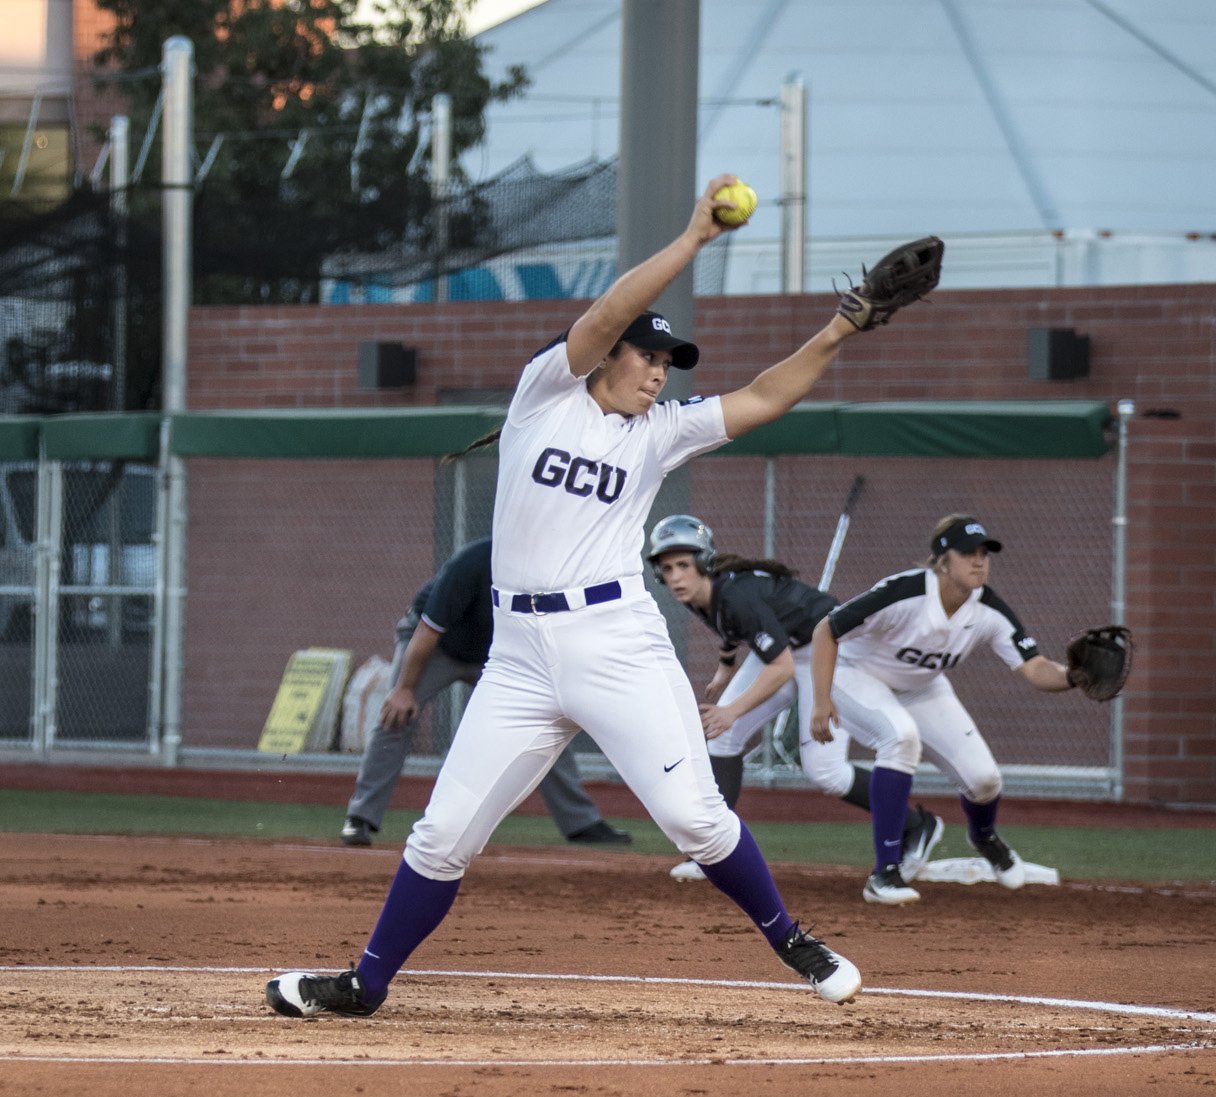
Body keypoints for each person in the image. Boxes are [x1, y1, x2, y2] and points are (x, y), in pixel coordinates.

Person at [266, 176, 938, 1019]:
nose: (657, 373)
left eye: (667, 363)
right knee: (440, 835)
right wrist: (694, 237)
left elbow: (768, 394)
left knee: (695, 821)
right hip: (518, 656)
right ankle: (367, 983)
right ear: (609, 352)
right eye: (646, 354)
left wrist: (844, 325)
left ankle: (792, 939)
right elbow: (606, 309)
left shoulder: (657, 434)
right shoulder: (545, 392)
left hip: (614, 640)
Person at [645, 513, 942, 882]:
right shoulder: (703, 593)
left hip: (829, 652)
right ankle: (713, 849)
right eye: (667, 568)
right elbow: (734, 629)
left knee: (826, 773)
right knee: (721, 733)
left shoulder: (734, 594)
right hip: (786, 650)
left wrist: (732, 710)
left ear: (705, 562)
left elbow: (781, 666)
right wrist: (725, 665)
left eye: (683, 565)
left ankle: (918, 824)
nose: (675, 576)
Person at [810, 514, 1076, 905]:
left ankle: (984, 837)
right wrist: (820, 700)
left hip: (923, 687)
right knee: (900, 737)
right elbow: (826, 630)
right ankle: (885, 873)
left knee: (984, 780)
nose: (979, 561)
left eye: (985, 553)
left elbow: (1034, 667)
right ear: (942, 560)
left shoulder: (989, 609)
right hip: (857, 673)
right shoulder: (906, 592)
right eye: (968, 552)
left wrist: (1076, 676)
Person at [339, 537, 631, 849]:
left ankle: (581, 823)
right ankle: (360, 818)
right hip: (437, 645)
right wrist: (405, 689)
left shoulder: (552, 572)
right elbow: (428, 629)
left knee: (545, 720)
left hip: (498, 653)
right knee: (396, 717)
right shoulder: (473, 563)